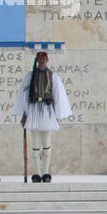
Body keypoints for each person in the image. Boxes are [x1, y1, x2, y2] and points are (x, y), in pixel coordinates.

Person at [11, 51, 71, 182]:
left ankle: (45, 172)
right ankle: (37, 173)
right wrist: (24, 114)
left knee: (46, 144)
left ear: (47, 60)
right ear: (37, 61)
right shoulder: (30, 76)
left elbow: (57, 96)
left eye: (44, 59)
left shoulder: (53, 76)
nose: (42, 61)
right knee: (36, 145)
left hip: (47, 111)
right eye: (40, 59)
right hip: (34, 111)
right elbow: (24, 96)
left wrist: (58, 114)